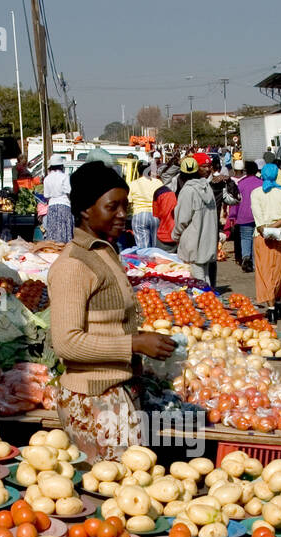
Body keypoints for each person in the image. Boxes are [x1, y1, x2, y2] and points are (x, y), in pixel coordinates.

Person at [48, 161, 176, 461]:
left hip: (117, 390)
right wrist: (133, 343)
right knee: (111, 489)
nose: (122, 215)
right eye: (112, 207)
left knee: (130, 482)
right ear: (84, 210)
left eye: (125, 206)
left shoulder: (104, 249)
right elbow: (67, 343)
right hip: (93, 399)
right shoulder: (72, 265)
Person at [250, 162, 281, 316]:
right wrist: (275, 227)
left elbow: (258, 219)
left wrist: (266, 229)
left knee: (264, 271)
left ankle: (270, 308)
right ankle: (276, 303)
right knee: (278, 271)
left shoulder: (256, 193)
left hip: (261, 236)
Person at [172, 156, 220, 285]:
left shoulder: (188, 191)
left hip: (193, 243)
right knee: (204, 277)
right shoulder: (207, 188)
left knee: (197, 281)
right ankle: (209, 301)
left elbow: (182, 219)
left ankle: (206, 302)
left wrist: (176, 235)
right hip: (207, 241)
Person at [233, 161, 262, 272]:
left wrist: (233, 216)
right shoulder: (261, 183)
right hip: (258, 216)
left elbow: (236, 201)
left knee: (245, 238)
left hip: (243, 215)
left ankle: (246, 258)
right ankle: (255, 263)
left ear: (246, 171)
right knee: (256, 239)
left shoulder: (241, 184)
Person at [128, 161, 161, 249]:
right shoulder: (158, 182)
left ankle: (145, 262)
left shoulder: (133, 184)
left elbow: (129, 202)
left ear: (138, 171)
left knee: (143, 249)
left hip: (139, 216)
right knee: (156, 247)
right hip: (156, 216)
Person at [42, 158, 73, 243]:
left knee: (53, 233)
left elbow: (46, 195)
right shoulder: (65, 177)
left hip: (52, 206)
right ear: (61, 166)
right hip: (64, 205)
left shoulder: (47, 179)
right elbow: (69, 192)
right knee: (65, 232)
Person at [152, 178, 178, 253]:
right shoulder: (188, 190)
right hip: (182, 236)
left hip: (164, 235)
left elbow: (157, 215)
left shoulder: (159, 192)